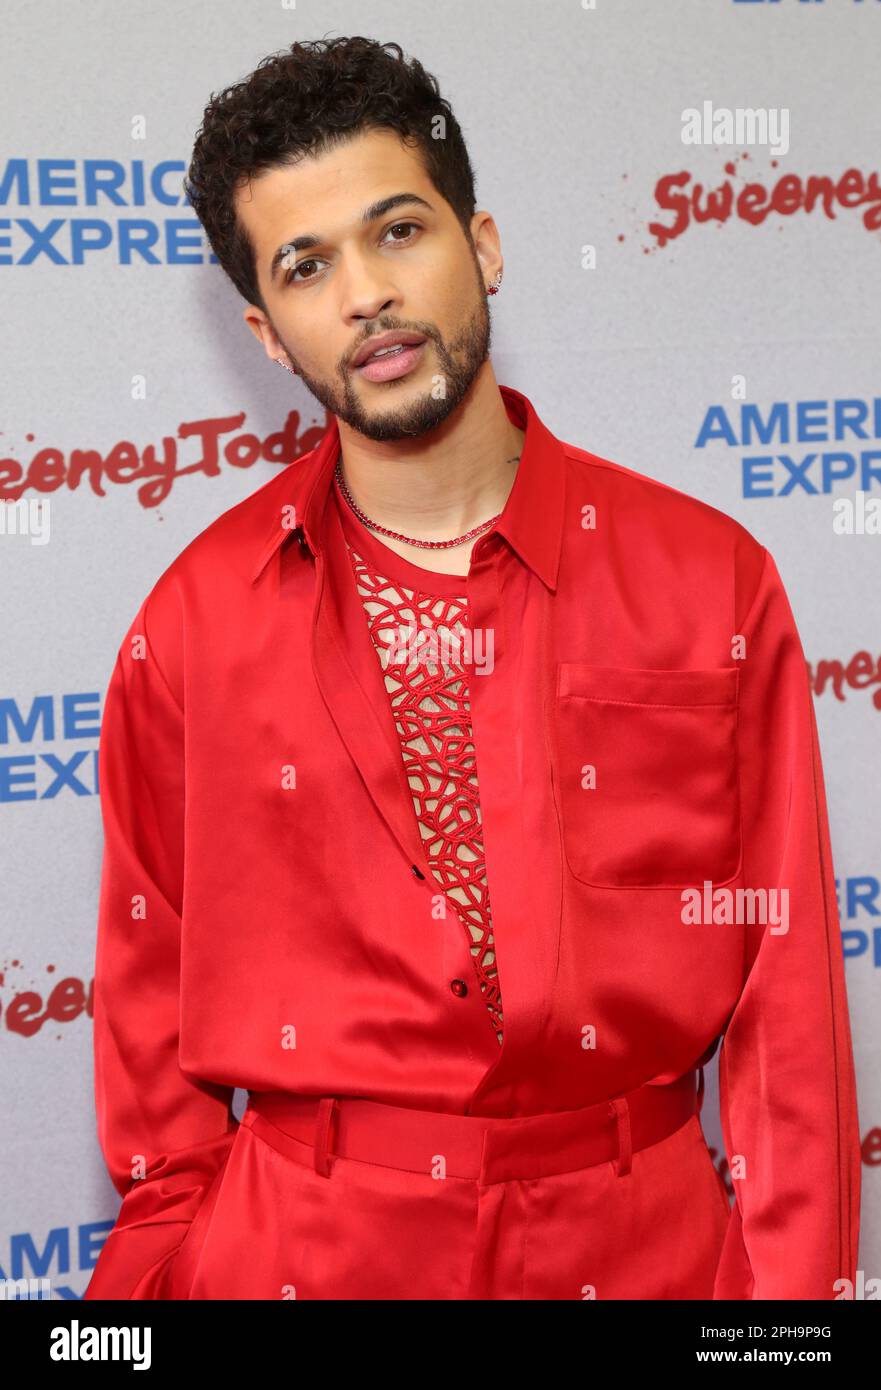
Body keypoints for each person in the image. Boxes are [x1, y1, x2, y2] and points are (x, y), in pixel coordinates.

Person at [84, 35, 860, 1301]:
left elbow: (789, 1033)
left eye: (398, 232)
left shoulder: (705, 579)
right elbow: (146, 1047)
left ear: (482, 244)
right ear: (265, 332)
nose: (363, 295)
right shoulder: (194, 621)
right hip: (303, 1254)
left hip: (641, 1248)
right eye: (305, 264)